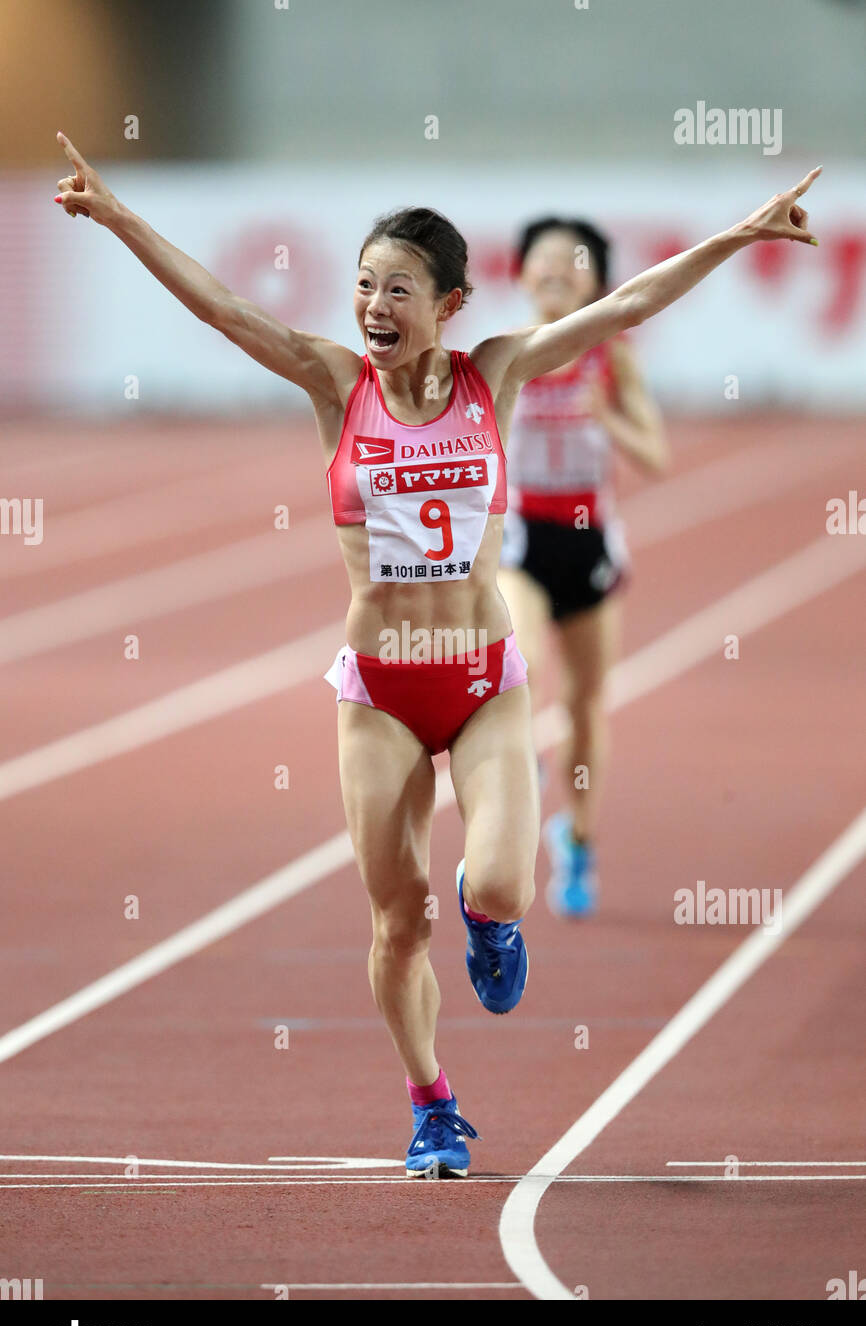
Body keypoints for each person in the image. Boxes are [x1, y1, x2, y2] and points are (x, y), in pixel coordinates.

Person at [54, 132, 820, 1178]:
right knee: (393, 917)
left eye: (398, 288)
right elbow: (223, 312)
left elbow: (624, 308)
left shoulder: (492, 373)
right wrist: (118, 214)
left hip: (482, 682)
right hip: (377, 694)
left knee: (499, 885)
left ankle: (488, 914)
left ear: (449, 304)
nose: (373, 304)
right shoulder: (334, 383)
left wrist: (738, 233)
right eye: (364, 284)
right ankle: (429, 1102)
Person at [498, 217, 669, 916]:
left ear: (597, 281)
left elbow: (656, 457)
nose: (555, 271)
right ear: (521, 274)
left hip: (591, 544)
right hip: (524, 541)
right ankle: (526, 754)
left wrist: (609, 419)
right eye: (542, 260)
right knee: (523, 668)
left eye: (572, 263)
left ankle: (579, 839)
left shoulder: (611, 358)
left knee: (588, 708)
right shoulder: (502, 355)